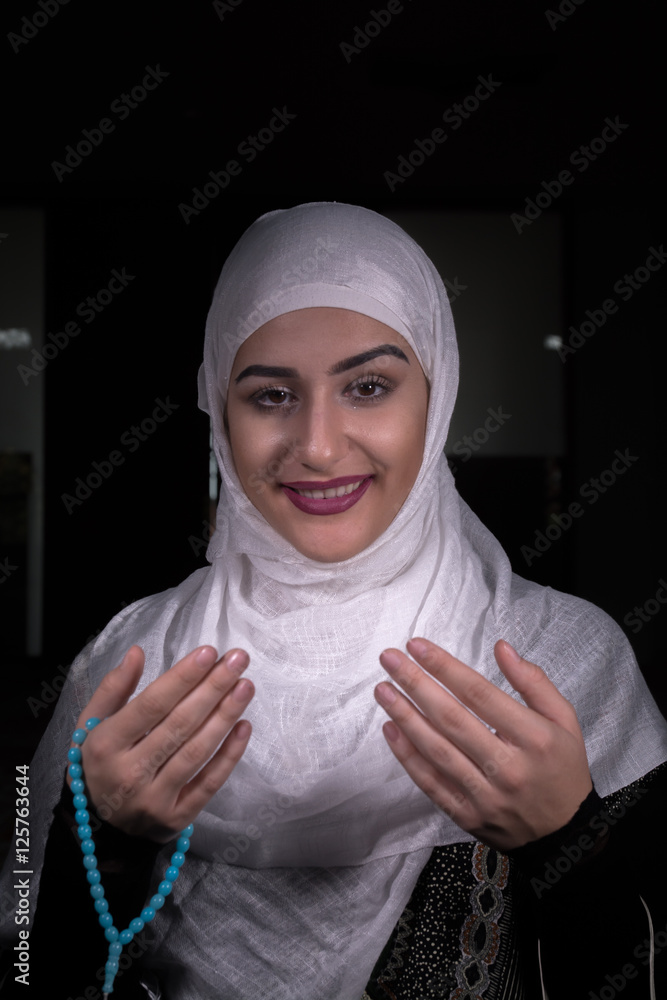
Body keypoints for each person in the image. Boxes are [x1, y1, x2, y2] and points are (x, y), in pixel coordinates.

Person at [1, 202, 666, 1000]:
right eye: (270, 396)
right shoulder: (133, 661)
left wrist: (566, 841)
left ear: (437, 395)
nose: (317, 446)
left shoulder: (555, 657)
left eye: (369, 386)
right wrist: (101, 844)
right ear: (220, 413)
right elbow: (23, 973)